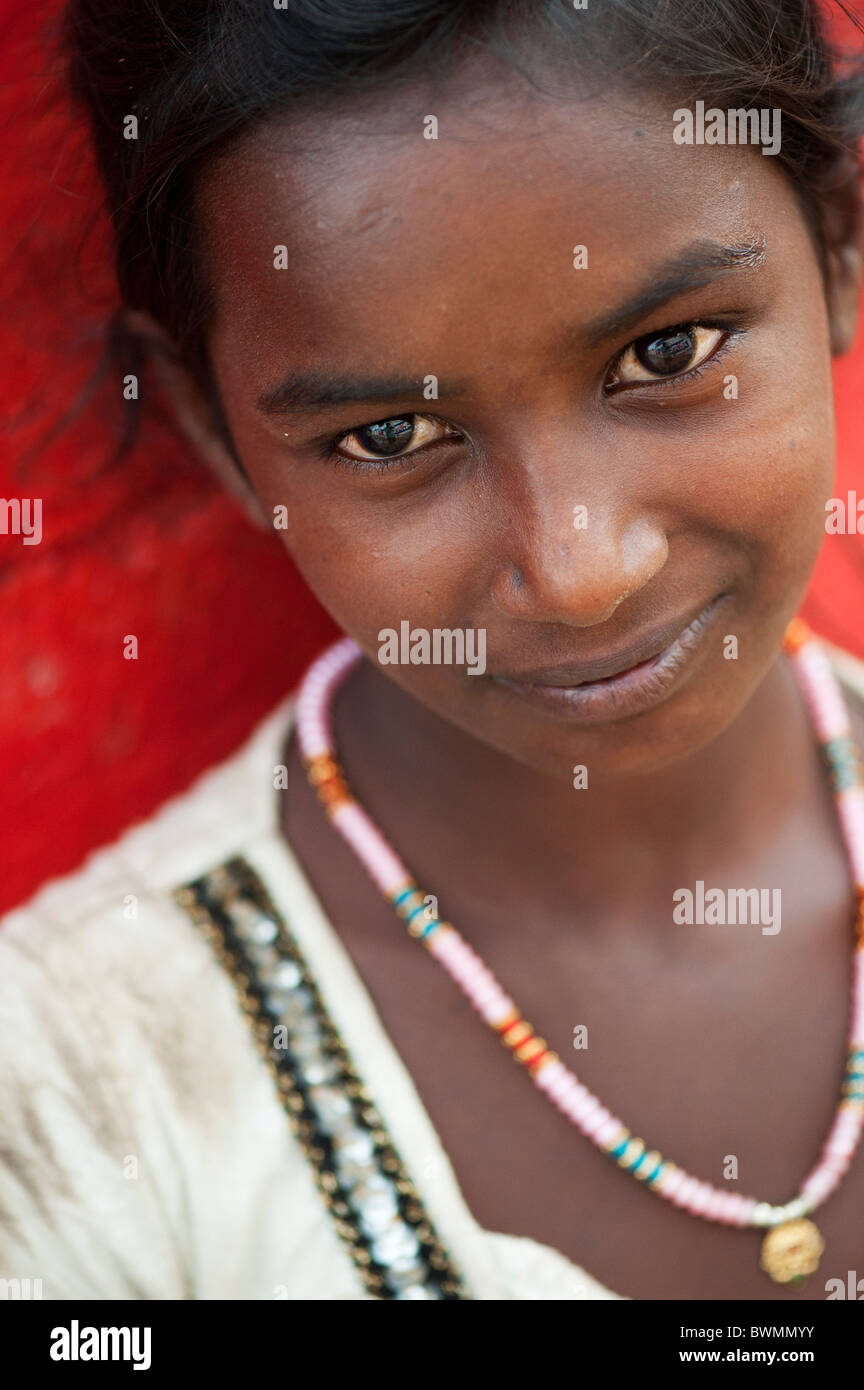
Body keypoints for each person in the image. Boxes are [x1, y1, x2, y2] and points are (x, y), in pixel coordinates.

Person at [2, 0, 864, 1301]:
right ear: (218, 432)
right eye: (391, 438)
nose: (581, 571)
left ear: (842, 243)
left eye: (666, 351)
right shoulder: (80, 1107)